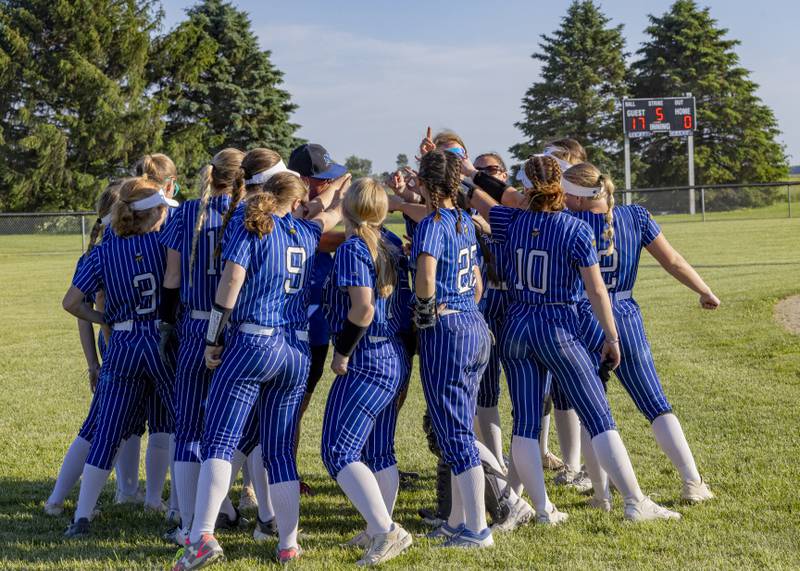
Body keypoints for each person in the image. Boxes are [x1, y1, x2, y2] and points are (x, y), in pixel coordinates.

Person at [469, 153, 681, 523]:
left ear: (528, 186)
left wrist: (460, 171)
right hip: (558, 323)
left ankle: (540, 509)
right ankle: (635, 502)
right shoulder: (575, 228)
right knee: (599, 416)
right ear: (562, 186)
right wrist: (612, 337)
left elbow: (483, 198)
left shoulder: (510, 220)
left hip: (517, 324)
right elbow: (597, 291)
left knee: (526, 423)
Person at [172, 154, 344, 569]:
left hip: (252, 342)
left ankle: (202, 537)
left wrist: (213, 338)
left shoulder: (249, 224)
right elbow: (332, 216)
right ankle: (287, 544)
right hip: (296, 349)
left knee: (219, 442)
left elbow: (231, 282)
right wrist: (339, 189)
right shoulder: (305, 230)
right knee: (280, 451)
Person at [561, 162, 717, 508]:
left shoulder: (569, 224)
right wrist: (704, 290)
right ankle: (692, 480)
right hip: (626, 315)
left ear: (582, 196)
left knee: (592, 410)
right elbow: (673, 260)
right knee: (656, 404)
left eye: (568, 191)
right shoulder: (636, 216)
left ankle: (601, 494)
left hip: (584, 318)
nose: (563, 197)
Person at [158, 148, 276, 546]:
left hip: (195, 328)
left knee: (190, 428)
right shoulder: (254, 211)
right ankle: (258, 516)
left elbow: (172, 278)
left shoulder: (188, 212)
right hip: (241, 331)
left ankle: (192, 524)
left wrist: (164, 323)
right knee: (243, 431)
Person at [61, 176, 180, 537]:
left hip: (123, 343)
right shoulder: (165, 245)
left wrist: (105, 318)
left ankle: (81, 517)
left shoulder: (102, 251)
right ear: (154, 212)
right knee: (179, 425)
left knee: (107, 431)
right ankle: (179, 510)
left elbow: (71, 303)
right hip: (161, 342)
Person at [320, 178, 413, 566]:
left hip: (367, 356)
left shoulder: (354, 247)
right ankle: (379, 524)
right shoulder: (390, 243)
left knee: (337, 450)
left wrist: (342, 351)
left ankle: (385, 530)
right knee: (378, 451)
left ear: (348, 208)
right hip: (393, 353)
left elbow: (363, 309)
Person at [412, 149, 495, 548]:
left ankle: (477, 528)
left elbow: (426, 273)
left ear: (426, 185)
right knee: (459, 427)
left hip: (448, 330)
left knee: (455, 432)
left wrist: (426, 315)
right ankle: (459, 519)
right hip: (473, 324)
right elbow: (477, 285)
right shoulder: (465, 220)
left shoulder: (434, 223)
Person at [45, 182, 140, 516]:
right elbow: (90, 305)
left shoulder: (95, 250)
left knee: (123, 423)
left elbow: (82, 315)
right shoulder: (122, 246)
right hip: (126, 342)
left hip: (117, 342)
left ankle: (128, 490)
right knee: (102, 423)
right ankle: (59, 499)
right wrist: (109, 334)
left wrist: (92, 362)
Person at [287, 142, 348, 496]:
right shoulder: (291, 205)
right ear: (305, 181)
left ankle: (285, 471)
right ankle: (276, 476)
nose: (328, 183)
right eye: (322, 180)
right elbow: (320, 238)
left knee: (299, 404)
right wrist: (358, 231)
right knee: (288, 407)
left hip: (317, 325)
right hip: (295, 325)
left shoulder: (314, 203)